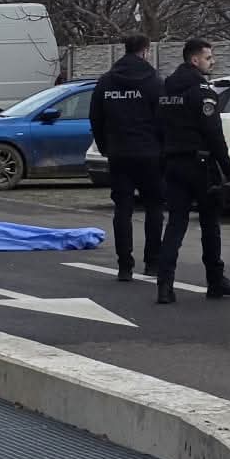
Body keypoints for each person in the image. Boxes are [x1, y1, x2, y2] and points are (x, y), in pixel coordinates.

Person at [156, 39, 230, 305]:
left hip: (173, 162)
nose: (212, 62)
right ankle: (215, 281)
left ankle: (164, 285)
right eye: (208, 57)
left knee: (175, 224)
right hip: (200, 164)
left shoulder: (166, 89)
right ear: (195, 60)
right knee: (209, 224)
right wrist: (227, 169)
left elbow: (158, 126)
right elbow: (213, 133)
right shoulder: (202, 91)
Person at [89, 35, 165, 282]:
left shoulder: (106, 81)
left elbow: (95, 117)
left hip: (119, 153)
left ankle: (124, 266)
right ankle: (153, 262)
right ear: (145, 51)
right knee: (154, 207)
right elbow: (163, 118)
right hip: (149, 153)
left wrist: (105, 146)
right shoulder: (154, 81)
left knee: (123, 208)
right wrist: (162, 148)